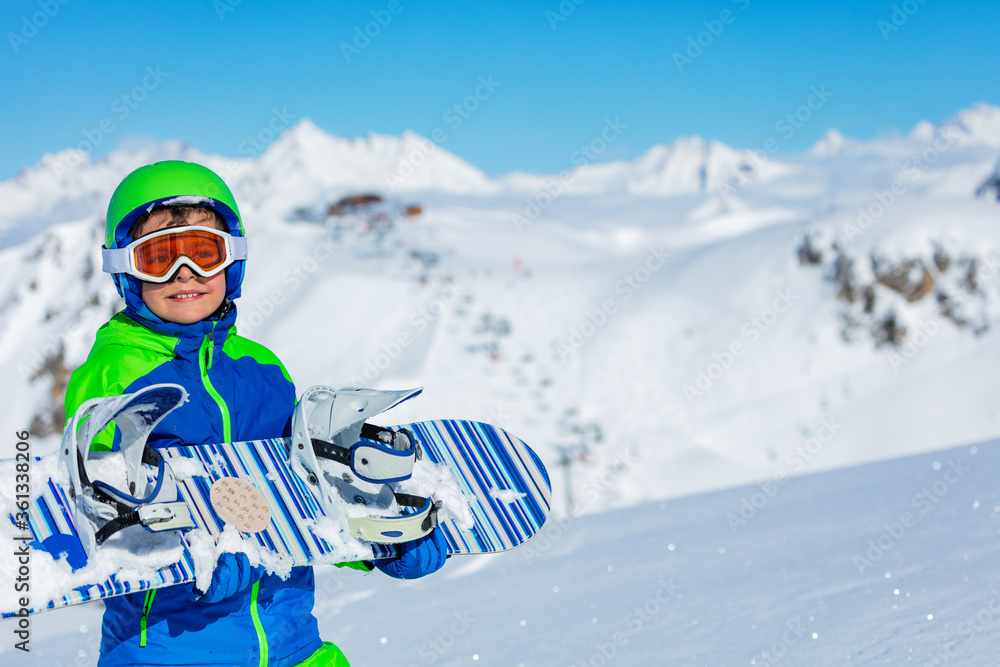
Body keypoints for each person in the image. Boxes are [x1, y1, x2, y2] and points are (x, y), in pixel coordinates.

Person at [64, 160, 448, 667]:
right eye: (159, 257)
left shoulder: (262, 369)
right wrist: (190, 552)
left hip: (293, 644)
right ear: (125, 269)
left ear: (233, 261)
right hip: (168, 651)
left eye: (205, 252)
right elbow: (103, 507)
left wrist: (377, 539)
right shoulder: (112, 376)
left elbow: (302, 491)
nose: (186, 273)